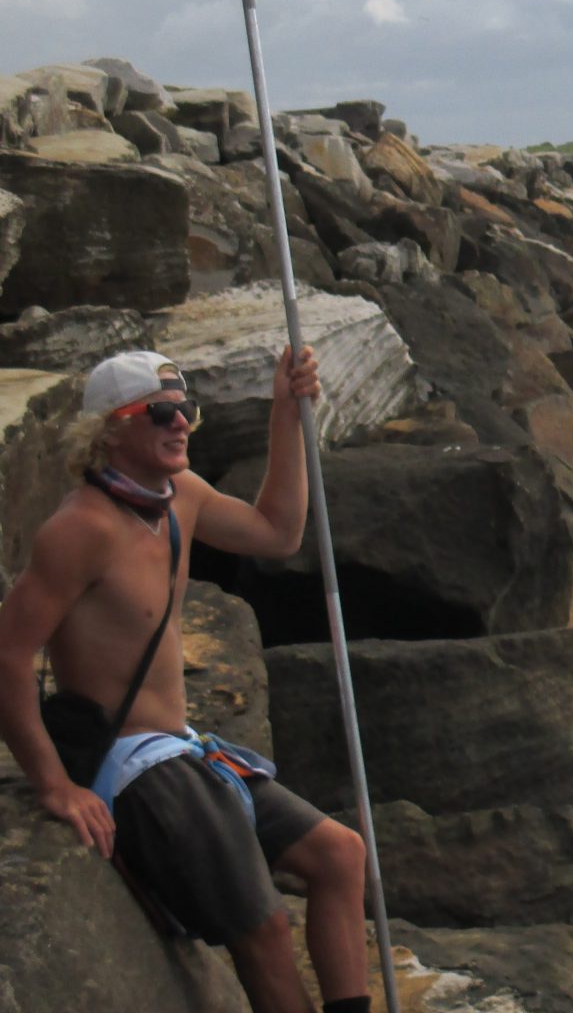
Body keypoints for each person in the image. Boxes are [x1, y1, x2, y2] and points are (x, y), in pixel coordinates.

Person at [0, 347, 370, 1013]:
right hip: (133, 765)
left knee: (341, 855)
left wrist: (287, 412)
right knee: (264, 927)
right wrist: (55, 786)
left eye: (187, 411)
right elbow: (7, 653)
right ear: (108, 430)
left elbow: (278, 532)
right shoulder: (79, 530)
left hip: (188, 746)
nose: (180, 424)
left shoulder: (182, 498)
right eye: (161, 412)